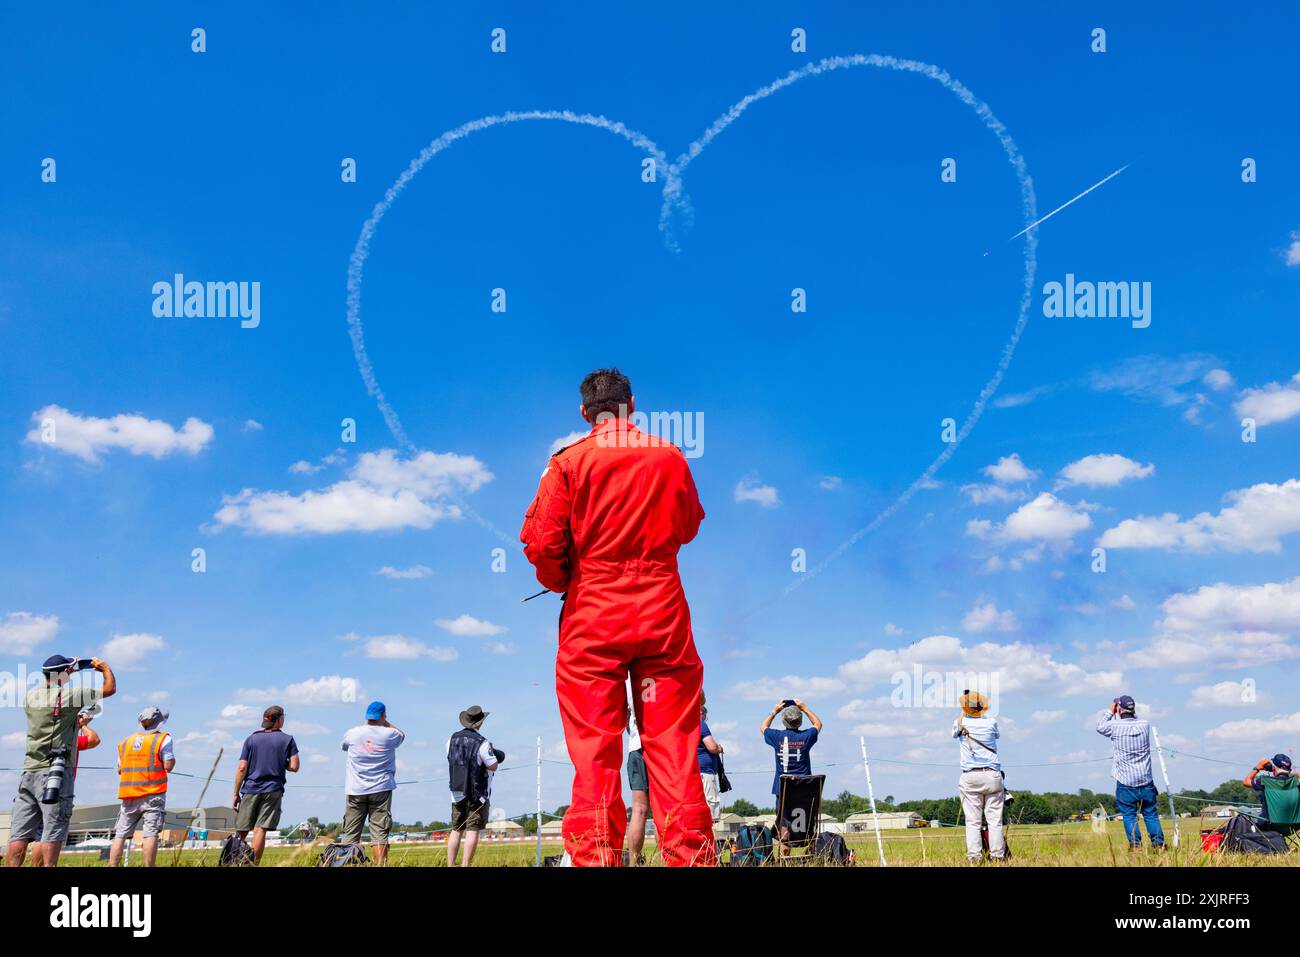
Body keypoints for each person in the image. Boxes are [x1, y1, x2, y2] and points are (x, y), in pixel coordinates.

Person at [520, 368, 714, 866]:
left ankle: (597, 858)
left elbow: (542, 545)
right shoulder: (669, 457)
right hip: (662, 612)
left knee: (596, 754)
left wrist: (566, 578)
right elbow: (689, 526)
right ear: (634, 405)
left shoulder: (566, 463)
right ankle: (692, 859)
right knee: (674, 749)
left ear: (585, 414)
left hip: (593, 618)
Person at [5, 654, 116, 868]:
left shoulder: (30, 697)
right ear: (64, 673)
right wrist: (104, 668)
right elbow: (110, 689)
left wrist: (66, 674)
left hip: (29, 770)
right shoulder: (69, 696)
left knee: (20, 832)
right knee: (52, 828)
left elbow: (52, 719)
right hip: (55, 771)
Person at [28, 709, 101, 867]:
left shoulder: (46, 735)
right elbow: (94, 740)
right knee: (51, 832)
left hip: (36, 781)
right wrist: (81, 725)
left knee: (40, 833)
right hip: (58, 784)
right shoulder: (69, 739)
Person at [339, 701, 405, 865]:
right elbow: (401, 734)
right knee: (379, 832)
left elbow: (344, 746)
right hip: (381, 788)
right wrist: (386, 723)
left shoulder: (352, 733)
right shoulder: (389, 734)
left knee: (350, 832)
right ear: (382, 716)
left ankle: (346, 863)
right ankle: (380, 864)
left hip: (355, 789)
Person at [108, 707, 176, 867]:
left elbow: (120, 768)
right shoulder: (163, 739)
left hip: (128, 795)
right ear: (159, 723)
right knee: (150, 833)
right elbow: (168, 765)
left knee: (120, 834)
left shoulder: (126, 742)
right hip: (152, 794)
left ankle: (112, 865)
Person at [232, 705, 300, 864]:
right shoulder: (288, 739)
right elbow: (294, 767)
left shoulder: (251, 738)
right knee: (260, 829)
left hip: (250, 788)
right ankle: (253, 863)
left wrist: (236, 793)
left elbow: (242, 768)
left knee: (241, 829)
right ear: (280, 720)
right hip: (273, 789)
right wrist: (281, 762)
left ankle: (234, 861)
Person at [1096, 694, 1165, 850]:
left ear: (1119, 709)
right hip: (1146, 781)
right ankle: (1159, 845)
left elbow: (1100, 727)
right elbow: (1136, 719)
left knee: (1129, 816)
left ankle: (1136, 846)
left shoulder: (1115, 726)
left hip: (1126, 782)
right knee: (1151, 815)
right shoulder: (1144, 724)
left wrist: (1110, 711)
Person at [760, 698, 822, 853]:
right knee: (808, 819)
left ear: (783, 722)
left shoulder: (776, 737)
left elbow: (763, 727)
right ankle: (810, 850)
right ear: (800, 722)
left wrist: (774, 711)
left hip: (783, 790)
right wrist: (805, 707)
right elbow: (818, 724)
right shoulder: (807, 736)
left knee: (783, 823)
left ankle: (784, 853)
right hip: (805, 790)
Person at [952, 690, 1005, 863]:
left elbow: (956, 731)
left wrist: (963, 712)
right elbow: (997, 736)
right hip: (992, 774)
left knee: (973, 821)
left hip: (971, 775)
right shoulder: (991, 722)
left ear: (965, 708)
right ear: (982, 707)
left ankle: (974, 857)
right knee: (995, 821)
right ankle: (998, 856)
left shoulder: (960, 723)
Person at [446, 705, 501, 867]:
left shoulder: (451, 739)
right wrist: (494, 751)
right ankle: (465, 864)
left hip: (456, 791)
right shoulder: (482, 743)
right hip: (477, 794)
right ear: (480, 723)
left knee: (456, 829)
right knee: (472, 829)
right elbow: (493, 765)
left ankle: (450, 864)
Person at [625, 678, 651, 865]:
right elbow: (701, 698)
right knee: (660, 811)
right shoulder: (660, 663)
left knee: (638, 810)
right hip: (658, 744)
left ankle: (634, 862)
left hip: (635, 745)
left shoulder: (625, 676)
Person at [1244, 753, 1296, 823]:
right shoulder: (1296, 783)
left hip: (1268, 825)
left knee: (1243, 809)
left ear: (1273, 767)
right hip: (1292, 826)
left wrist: (1257, 768)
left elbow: (1246, 782)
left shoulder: (1266, 781)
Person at [698, 700, 724, 822]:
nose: (705, 718)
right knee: (711, 801)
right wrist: (719, 748)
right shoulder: (701, 724)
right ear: (700, 712)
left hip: (694, 770)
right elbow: (711, 747)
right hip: (705, 771)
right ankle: (710, 832)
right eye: (704, 715)